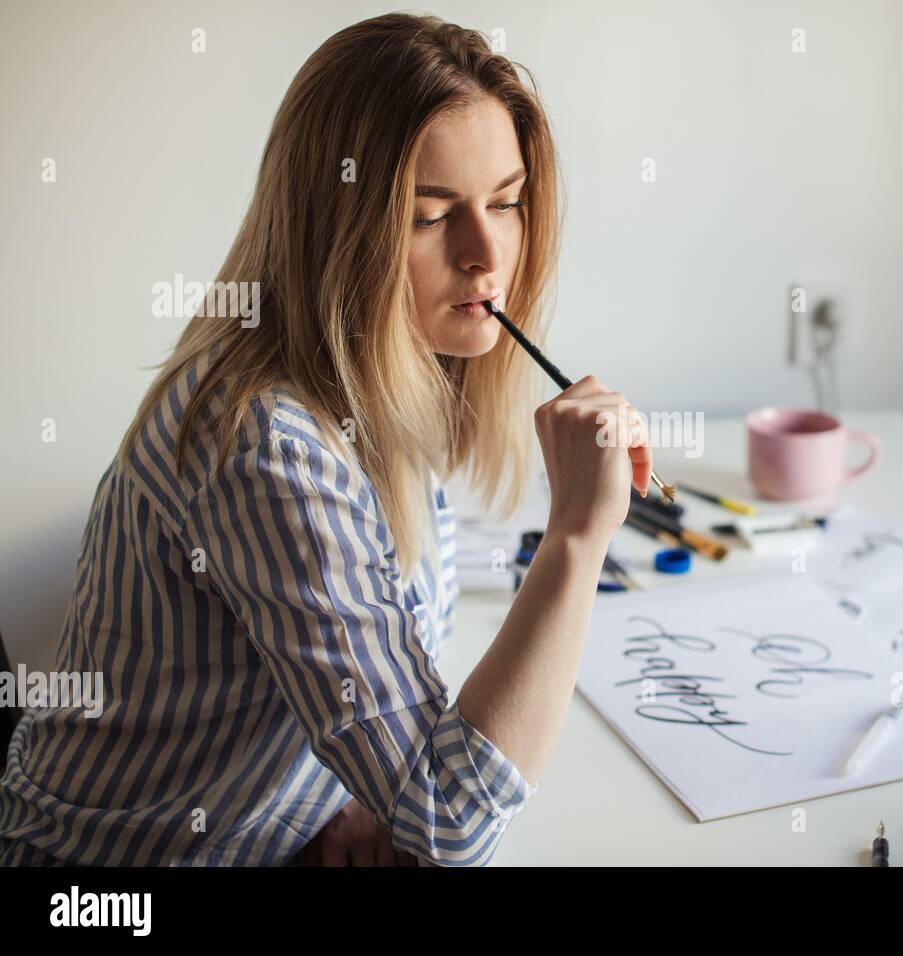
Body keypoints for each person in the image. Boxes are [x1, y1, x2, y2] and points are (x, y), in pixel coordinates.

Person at [0, 12, 652, 866]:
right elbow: (451, 823)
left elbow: (362, 683)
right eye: (430, 216)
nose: (487, 253)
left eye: (507, 202)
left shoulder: (388, 381)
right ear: (340, 233)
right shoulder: (267, 444)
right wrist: (574, 538)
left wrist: (326, 803)